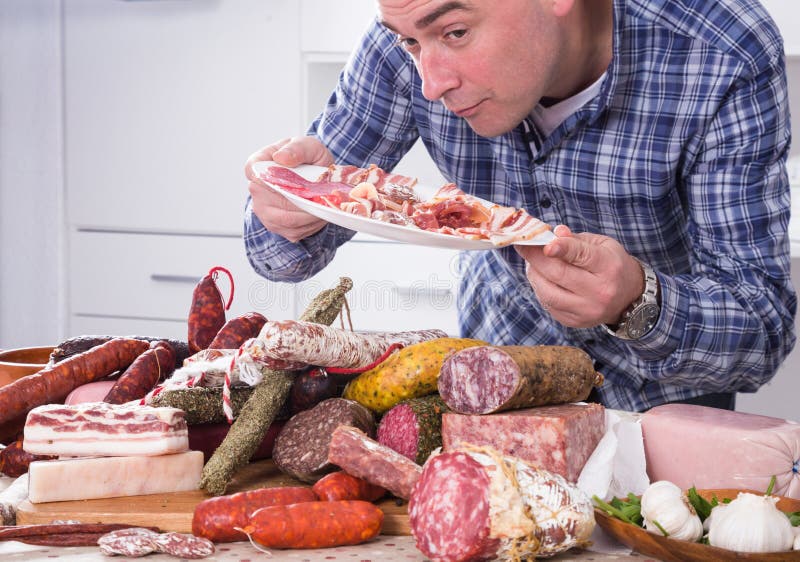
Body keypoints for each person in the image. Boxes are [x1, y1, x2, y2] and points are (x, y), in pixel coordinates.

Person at [243, 0, 796, 412]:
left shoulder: (721, 50)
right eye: (411, 44)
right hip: (492, 386)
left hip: (669, 415)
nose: (430, 84)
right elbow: (278, 259)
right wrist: (291, 208)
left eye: (456, 33)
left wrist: (636, 301)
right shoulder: (410, 27)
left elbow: (762, 333)